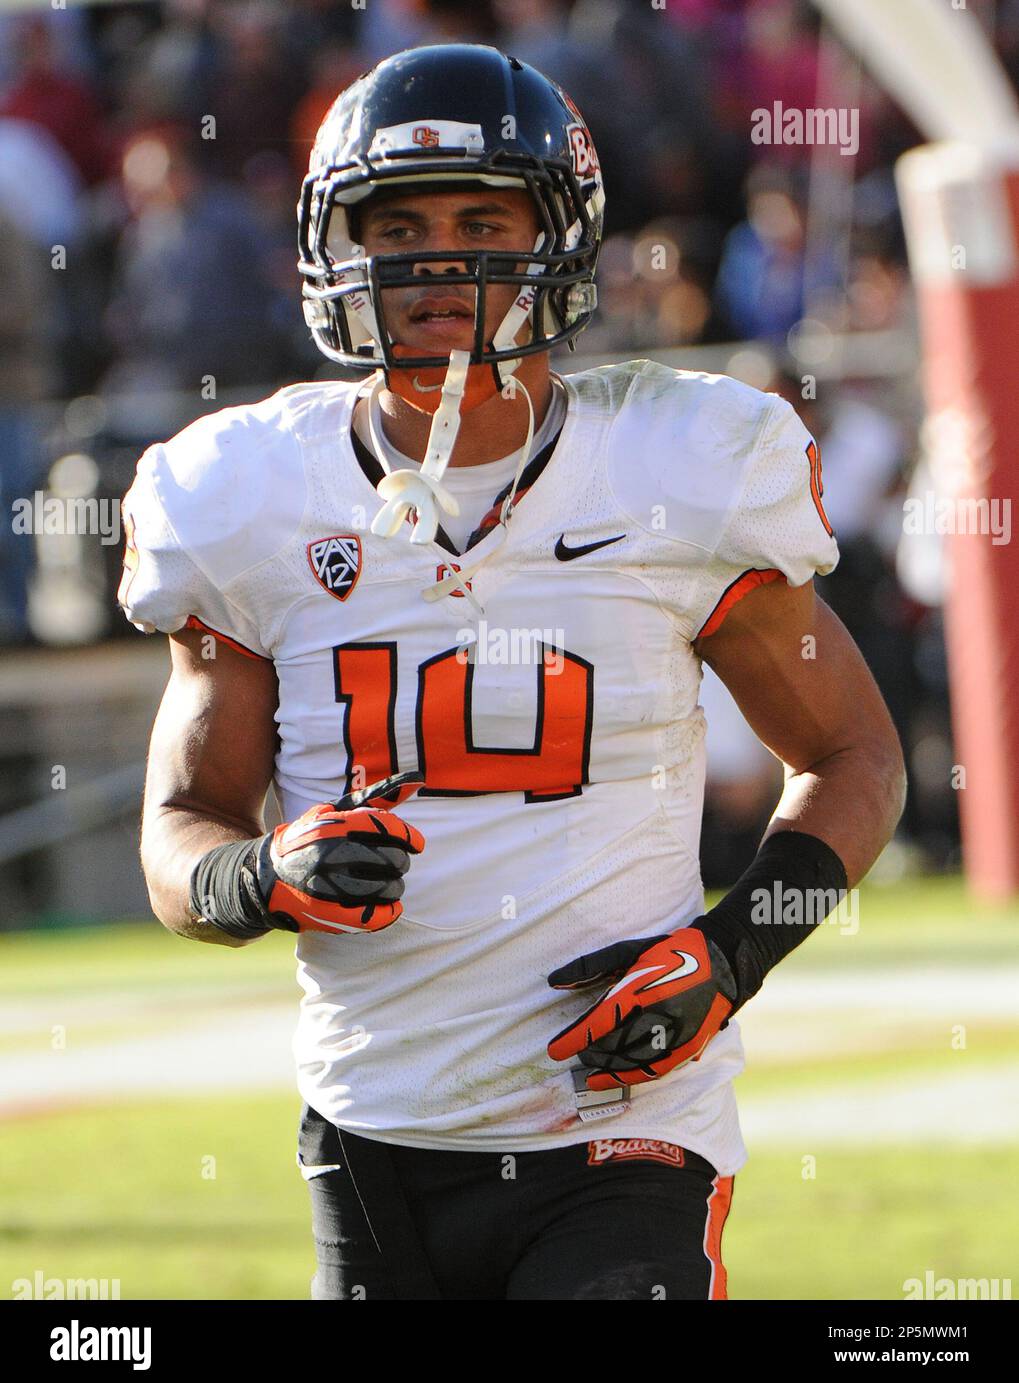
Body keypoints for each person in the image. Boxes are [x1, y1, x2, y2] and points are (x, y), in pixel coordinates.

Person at [119, 44, 905, 1301]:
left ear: (558, 241)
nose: (438, 260)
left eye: (481, 219)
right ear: (338, 252)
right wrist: (255, 873)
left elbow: (854, 755)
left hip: (624, 1122)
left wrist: (731, 955)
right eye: (400, 225)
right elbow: (178, 828)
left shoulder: (679, 465)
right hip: (373, 1124)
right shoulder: (245, 496)